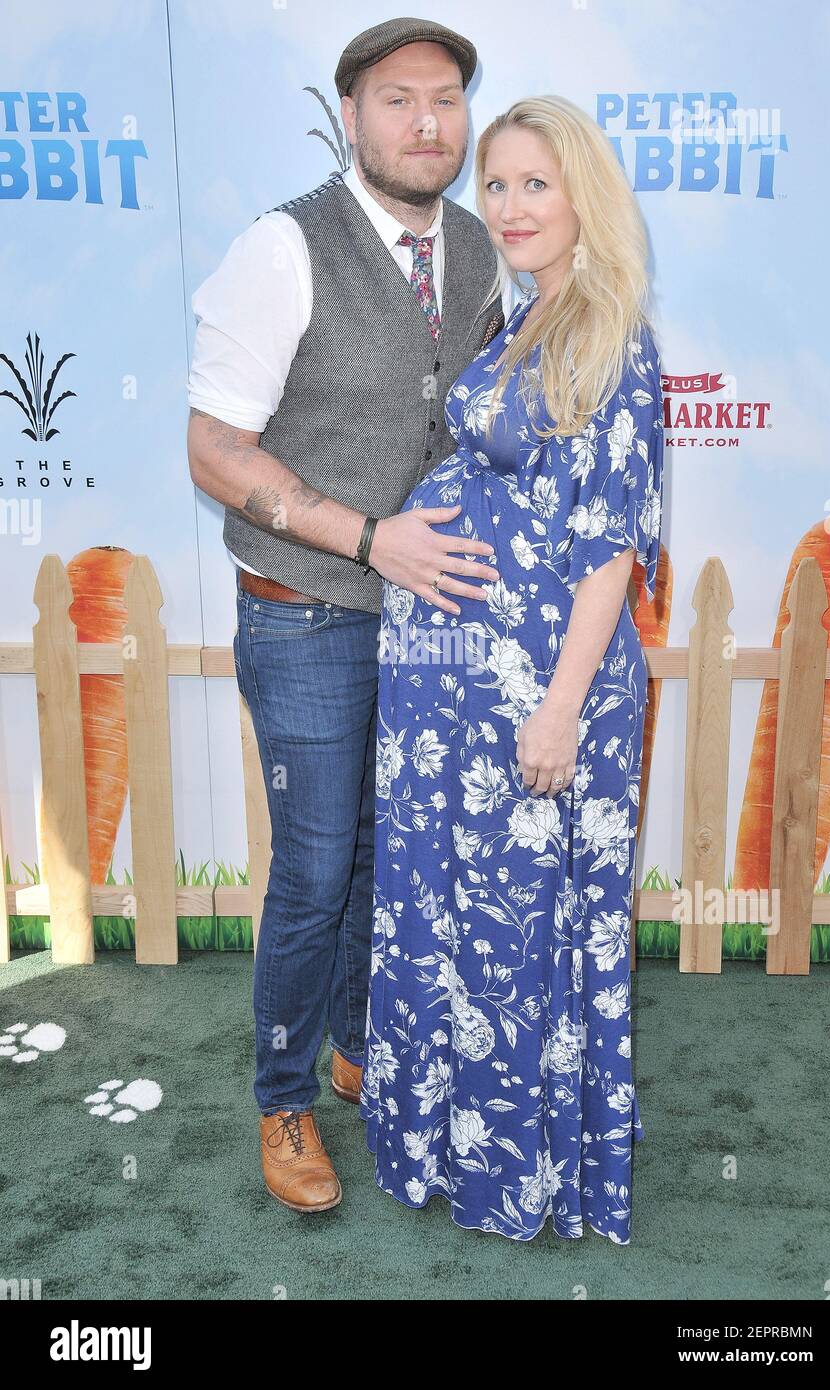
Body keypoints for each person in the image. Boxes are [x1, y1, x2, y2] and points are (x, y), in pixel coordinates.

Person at [186, 18, 516, 1211]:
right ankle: (284, 1103)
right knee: (317, 870)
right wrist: (369, 538)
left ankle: (350, 1043)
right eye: (397, 100)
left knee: (387, 857)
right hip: (306, 611)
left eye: (445, 100)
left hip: (424, 621)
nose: (427, 122)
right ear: (351, 118)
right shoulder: (283, 248)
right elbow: (213, 448)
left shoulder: (480, 250)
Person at [360, 94, 665, 1242]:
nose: (509, 205)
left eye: (534, 183)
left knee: (520, 925)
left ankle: (528, 1166)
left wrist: (555, 711)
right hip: (457, 693)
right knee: (456, 916)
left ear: (582, 194)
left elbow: (605, 548)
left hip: (540, 692)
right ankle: (451, 1136)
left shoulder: (610, 328)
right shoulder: (523, 317)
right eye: (496, 185)